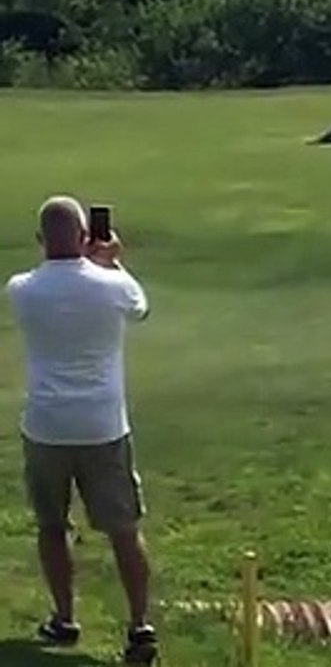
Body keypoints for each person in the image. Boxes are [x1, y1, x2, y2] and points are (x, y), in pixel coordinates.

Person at [5, 195, 157, 664]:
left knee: (52, 526)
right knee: (124, 530)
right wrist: (111, 263)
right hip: (103, 426)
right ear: (86, 236)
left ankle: (64, 617)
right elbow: (140, 307)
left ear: (39, 240)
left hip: (47, 426)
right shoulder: (112, 286)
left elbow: (49, 285)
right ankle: (138, 626)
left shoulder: (21, 289)